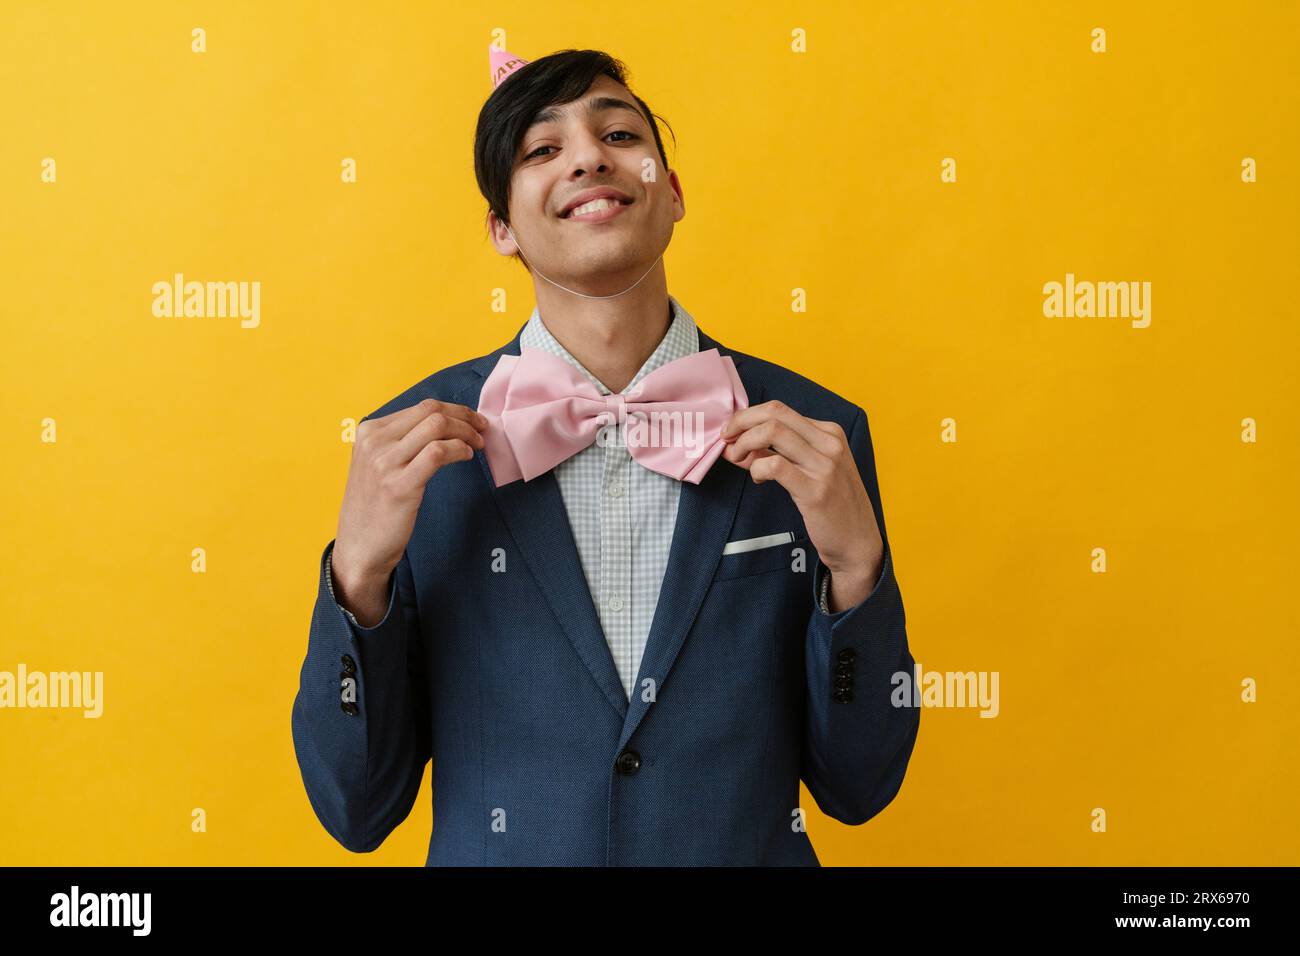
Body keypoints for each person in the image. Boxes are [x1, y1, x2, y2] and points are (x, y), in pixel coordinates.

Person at [290, 46, 920, 866]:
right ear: (502, 228)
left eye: (619, 135)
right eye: (542, 149)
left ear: (674, 192)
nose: (588, 157)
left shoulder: (818, 437)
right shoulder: (409, 457)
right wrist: (357, 579)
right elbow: (356, 811)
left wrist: (858, 574)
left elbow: (860, 788)